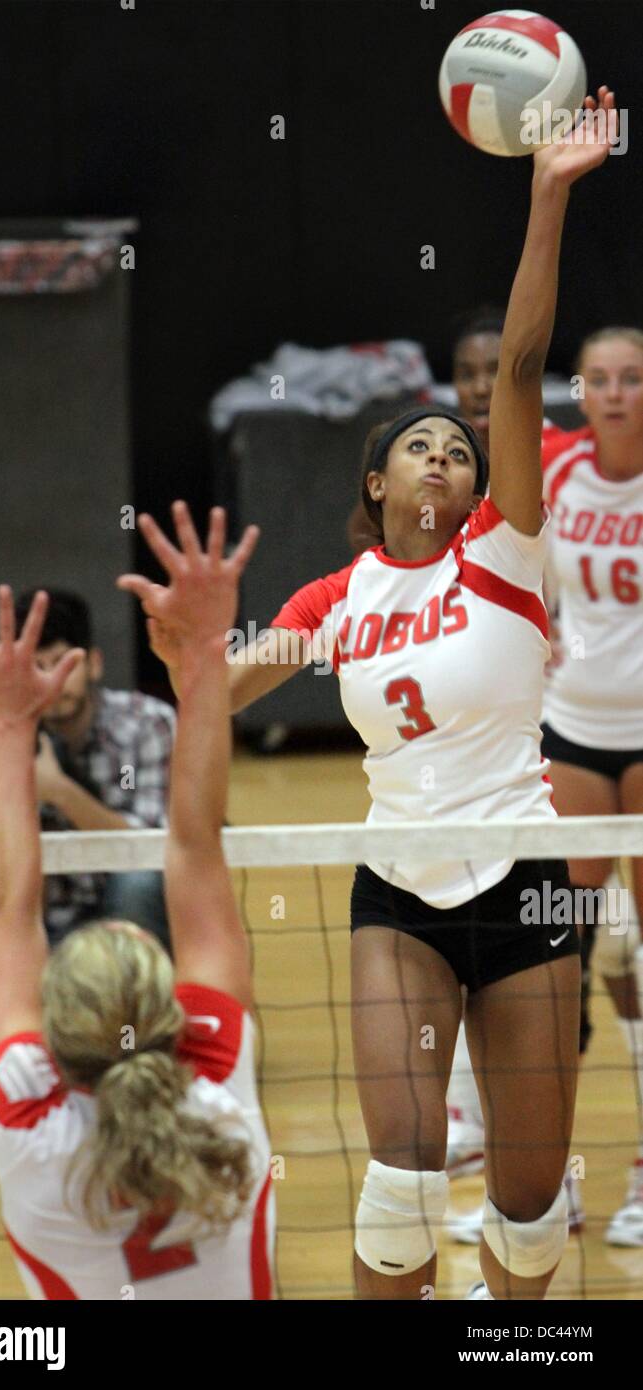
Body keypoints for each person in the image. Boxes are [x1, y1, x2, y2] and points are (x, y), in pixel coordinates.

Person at [131, 88, 617, 1300]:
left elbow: (514, 363)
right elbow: (218, 696)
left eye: (460, 445)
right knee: (399, 1183)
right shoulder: (333, 601)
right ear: (378, 480)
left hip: (524, 877)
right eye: (424, 447)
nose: (448, 456)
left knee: (526, 1203)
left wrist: (547, 192)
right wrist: (191, 649)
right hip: (396, 887)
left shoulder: (505, 553)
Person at [0, 505, 273, 1300]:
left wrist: (5, 727)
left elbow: (11, 921)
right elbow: (195, 848)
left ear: (54, 1035)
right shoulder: (220, 1095)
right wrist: (203, 652)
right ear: (169, 1012)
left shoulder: (24, 1127)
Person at [0, 588, 174, 1062]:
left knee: (138, 883)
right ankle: (90, 1033)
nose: (54, 681)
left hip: (133, 927)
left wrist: (59, 792)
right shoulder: (9, 748)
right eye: (38, 667)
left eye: (63, 664)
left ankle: (132, 1010)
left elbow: (153, 851)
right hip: (53, 933)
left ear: (93, 663)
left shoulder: (149, 724)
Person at [541, 325, 643, 1246]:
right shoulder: (557, 467)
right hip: (571, 730)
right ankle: (553, 1180)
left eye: (632, 379)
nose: (613, 393)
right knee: (555, 955)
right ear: (580, 391)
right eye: (599, 379)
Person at [346, 308, 504, 556]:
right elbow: (360, 531)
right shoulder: (431, 447)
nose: (480, 388)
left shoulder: (554, 454)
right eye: (466, 375)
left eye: (495, 371)